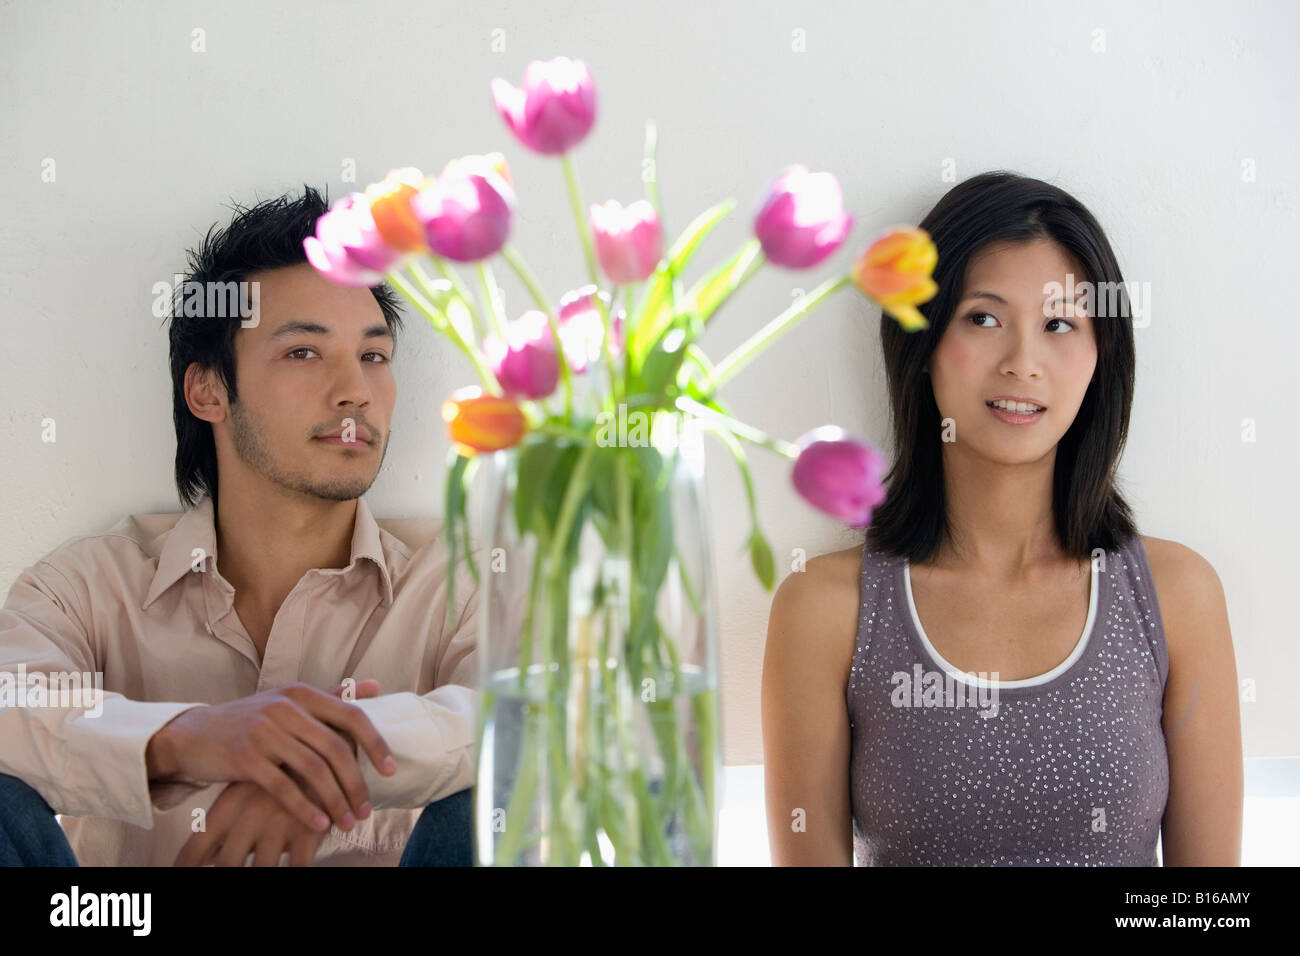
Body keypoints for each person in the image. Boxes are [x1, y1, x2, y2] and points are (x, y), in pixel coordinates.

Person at [762, 171, 1242, 866]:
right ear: (922, 345)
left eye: (1059, 325)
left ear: (1099, 357)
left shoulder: (1176, 596)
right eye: (983, 318)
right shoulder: (824, 609)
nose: (1023, 363)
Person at [0, 186, 479, 866]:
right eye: (304, 353)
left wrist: (332, 753)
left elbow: (549, 716)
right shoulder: (80, 590)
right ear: (209, 391)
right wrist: (184, 739)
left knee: (499, 797)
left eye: (373, 355)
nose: (355, 390)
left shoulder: (462, 584)